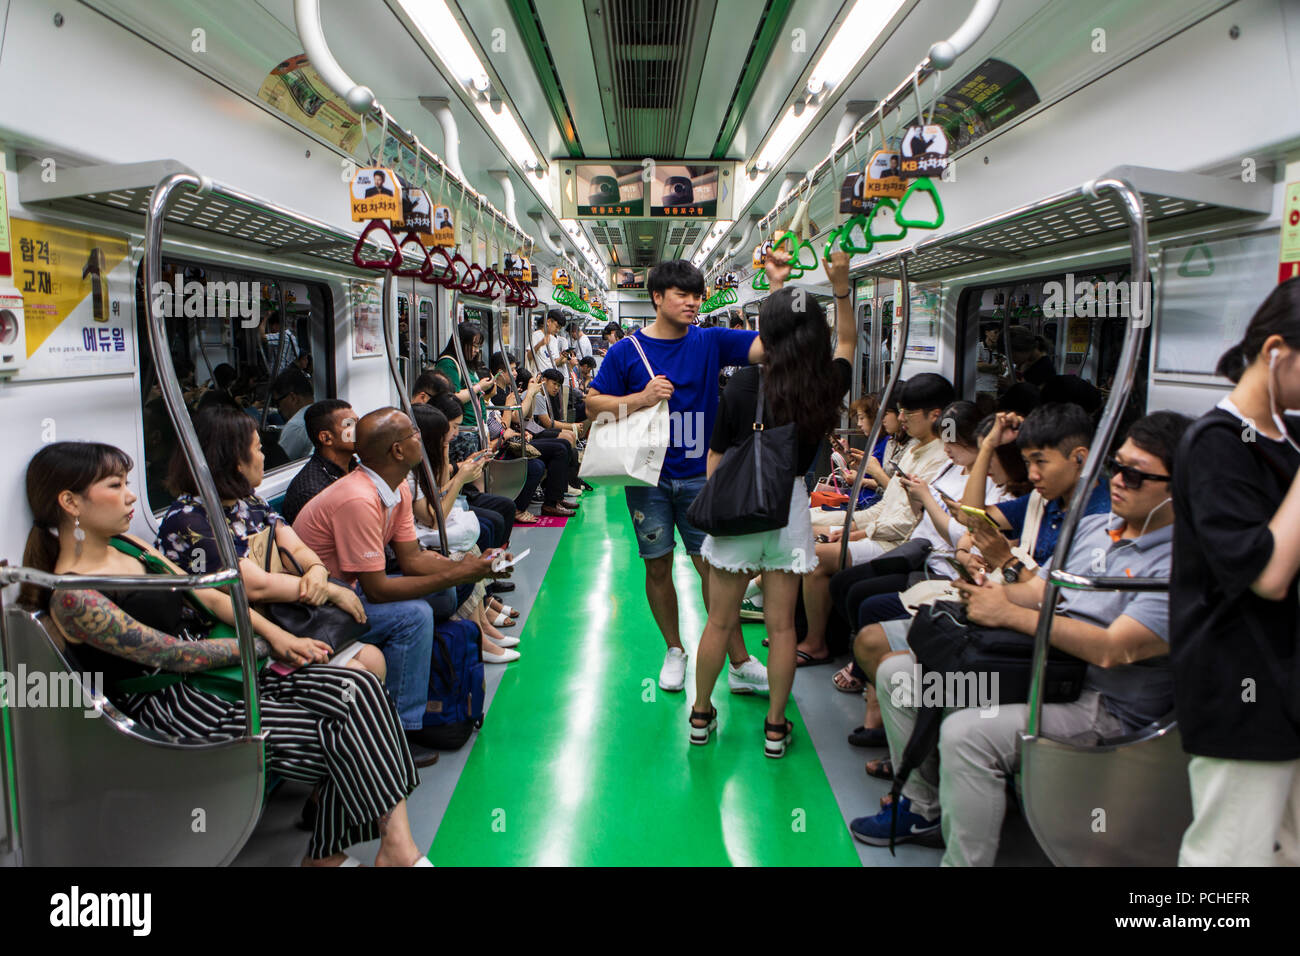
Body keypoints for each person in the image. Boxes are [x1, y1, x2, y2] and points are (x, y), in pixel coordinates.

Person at [21, 442, 429, 866]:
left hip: (220, 669)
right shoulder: (73, 597)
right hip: (173, 704)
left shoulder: (127, 544)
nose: (130, 496)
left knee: (360, 685)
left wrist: (278, 636)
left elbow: (210, 597)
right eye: (115, 485)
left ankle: (388, 848)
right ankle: (350, 856)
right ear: (69, 502)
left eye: (128, 483)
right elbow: (173, 655)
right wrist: (263, 646)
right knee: (342, 737)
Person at [856, 412, 1192, 863]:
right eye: (1118, 466)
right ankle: (923, 808)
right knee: (901, 677)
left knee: (966, 734)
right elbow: (1040, 589)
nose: (1117, 481)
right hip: (1047, 674)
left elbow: (1116, 649)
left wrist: (1012, 618)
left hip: (1099, 705)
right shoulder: (1096, 529)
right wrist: (991, 594)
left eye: (1135, 475)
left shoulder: (1178, 563)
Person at [688, 249, 855, 756]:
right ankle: (776, 727)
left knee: (720, 621)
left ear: (767, 333)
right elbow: (848, 339)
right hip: (790, 509)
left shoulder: (742, 383)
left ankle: (700, 716)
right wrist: (840, 285)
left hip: (739, 509)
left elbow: (715, 461)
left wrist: (724, 507)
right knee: (782, 626)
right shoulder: (824, 385)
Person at [586, 257, 768, 694]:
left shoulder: (708, 341)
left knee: (714, 570)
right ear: (657, 297)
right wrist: (640, 398)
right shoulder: (625, 352)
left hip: (699, 476)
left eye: (697, 295)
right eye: (682, 294)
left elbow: (766, 347)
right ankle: (674, 649)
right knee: (658, 566)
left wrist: (777, 286)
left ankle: (739, 662)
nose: (692, 302)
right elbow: (593, 403)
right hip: (646, 478)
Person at [1171, 278, 1300, 866]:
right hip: (1243, 684)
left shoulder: (1288, 440)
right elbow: (1268, 573)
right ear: (1277, 352)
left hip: (1286, 685)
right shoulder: (1216, 444)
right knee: (1231, 858)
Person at [292, 407, 500, 754]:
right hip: (320, 608)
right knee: (415, 615)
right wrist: (456, 571)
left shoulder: (397, 488)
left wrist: (469, 566)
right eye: (414, 435)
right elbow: (377, 589)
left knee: (447, 595)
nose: (422, 439)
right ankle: (401, 732)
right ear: (397, 451)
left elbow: (412, 559)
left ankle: (433, 676)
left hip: (353, 592)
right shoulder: (358, 499)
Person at [796, 374, 955, 665]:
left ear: (935, 415)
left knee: (816, 556)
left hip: (899, 543)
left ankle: (815, 640)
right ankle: (805, 631)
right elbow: (886, 508)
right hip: (883, 532)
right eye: (901, 411)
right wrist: (850, 527)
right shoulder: (913, 451)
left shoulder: (939, 459)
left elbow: (907, 523)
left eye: (908, 412)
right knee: (809, 534)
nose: (902, 418)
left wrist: (857, 532)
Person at [410, 402, 521, 663]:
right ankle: (478, 634)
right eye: (453, 429)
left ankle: (481, 622)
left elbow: (438, 494)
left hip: (430, 529)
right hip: (423, 538)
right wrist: (460, 477)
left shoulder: (429, 462)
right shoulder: (411, 474)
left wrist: (457, 467)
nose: (456, 434)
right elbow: (434, 515)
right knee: (468, 551)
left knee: (475, 542)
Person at [281, 399, 357, 525]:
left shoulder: (353, 467)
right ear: (326, 438)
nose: (361, 430)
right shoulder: (311, 491)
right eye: (350, 425)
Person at [272, 368, 316, 460]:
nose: (278, 409)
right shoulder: (324, 412)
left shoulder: (296, 425)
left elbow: (280, 465)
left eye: (278, 402)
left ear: (293, 398)